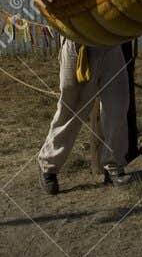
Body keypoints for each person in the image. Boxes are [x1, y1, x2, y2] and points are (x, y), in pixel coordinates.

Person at [38, 37, 132, 194]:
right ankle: (48, 165)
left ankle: (114, 167)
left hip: (112, 43)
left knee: (117, 107)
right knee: (71, 110)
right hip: (78, 44)